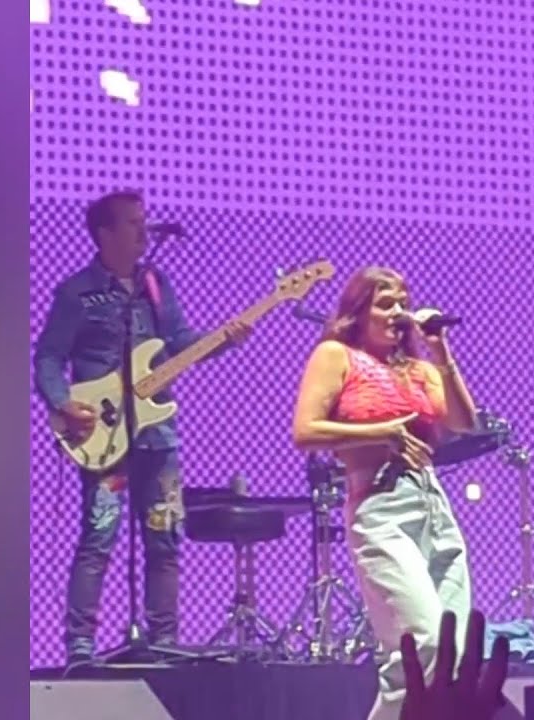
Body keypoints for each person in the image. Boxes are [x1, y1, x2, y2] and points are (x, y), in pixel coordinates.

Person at [33, 190, 251, 667]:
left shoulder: (156, 284)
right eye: (132, 223)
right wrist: (64, 403)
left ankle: (164, 639)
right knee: (100, 534)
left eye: (144, 221)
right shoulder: (76, 292)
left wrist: (223, 341)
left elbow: (178, 343)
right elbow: (48, 356)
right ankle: (81, 647)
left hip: (157, 435)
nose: (143, 231)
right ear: (104, 234)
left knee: (165, 534)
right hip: (104, 436)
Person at [291, 266, 480, 720]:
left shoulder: (419, 369)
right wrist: (382, 433)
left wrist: (441, 352)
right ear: (359, 311)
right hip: (381, 505)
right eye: (385, 304)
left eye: (402, 302)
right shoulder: (336, 355)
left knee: (450, 652)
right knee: (423, 645)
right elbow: (305, 431)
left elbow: (463, 422)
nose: (398, 312)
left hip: (433, 505)